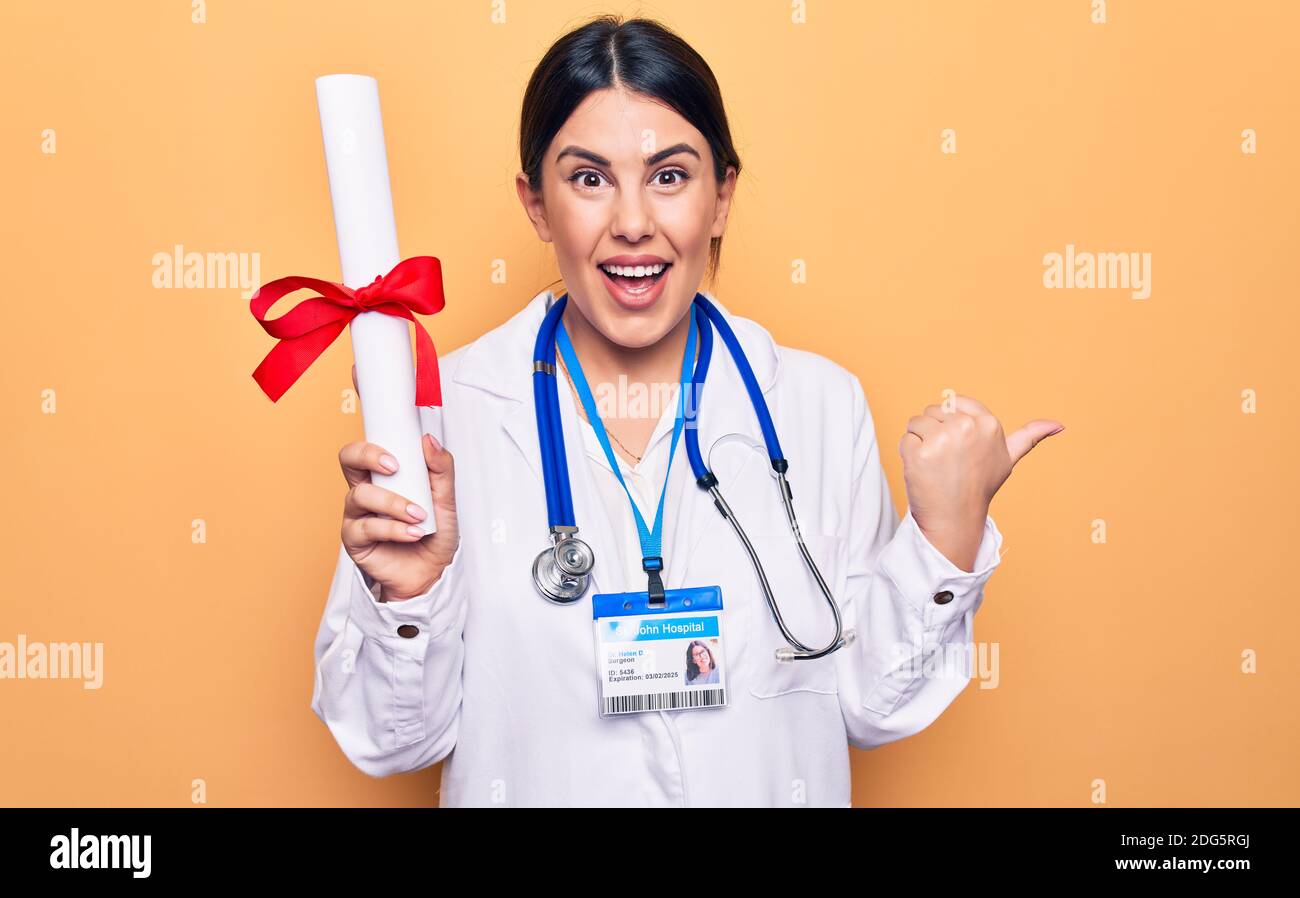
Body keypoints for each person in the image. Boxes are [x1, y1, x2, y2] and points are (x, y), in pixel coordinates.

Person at [310, 15, 1062, 807]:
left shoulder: (816, 404)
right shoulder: (443, 415)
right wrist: (408, 598)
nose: (633, 222)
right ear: (536, 206)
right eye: (589, 178)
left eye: (669, 175)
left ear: (722, 196)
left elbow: (877, 705)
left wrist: (946, 538)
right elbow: (392, 743)